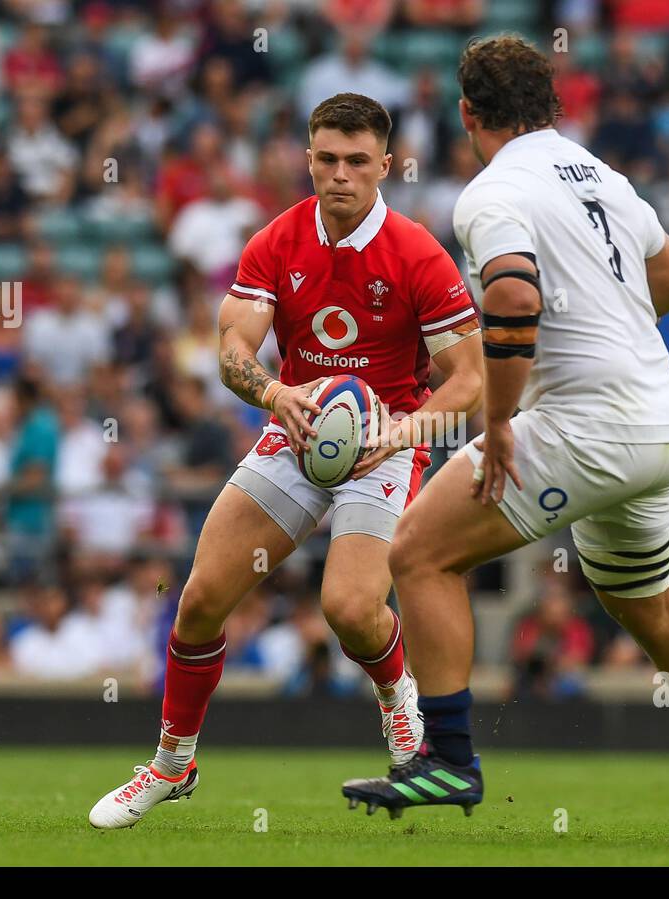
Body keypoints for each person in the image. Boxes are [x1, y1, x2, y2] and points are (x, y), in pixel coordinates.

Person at [340, 37, 669, 844]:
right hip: (661, 420)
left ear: (466, 115)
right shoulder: (602, 176)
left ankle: (448, 756)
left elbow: (513, 300)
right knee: (639, 596)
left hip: (585, 426)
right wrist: (609, 332)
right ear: (551, 106)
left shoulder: (490, 194)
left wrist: (501, 419)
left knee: (417, 553)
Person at [88, 93, 483, 829]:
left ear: (385, 166)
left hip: (387, 438)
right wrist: (276, 393)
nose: (340, 175)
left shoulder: (417, 253)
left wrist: (398, 436)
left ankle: (400, 702)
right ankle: (173, 765)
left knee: (350, 609)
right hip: (298, 429)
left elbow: (470, 382)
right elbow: (232, 349)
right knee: (200, 599)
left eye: (357, 162)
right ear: (307, 160)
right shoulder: (275, 241)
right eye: (327, 159)